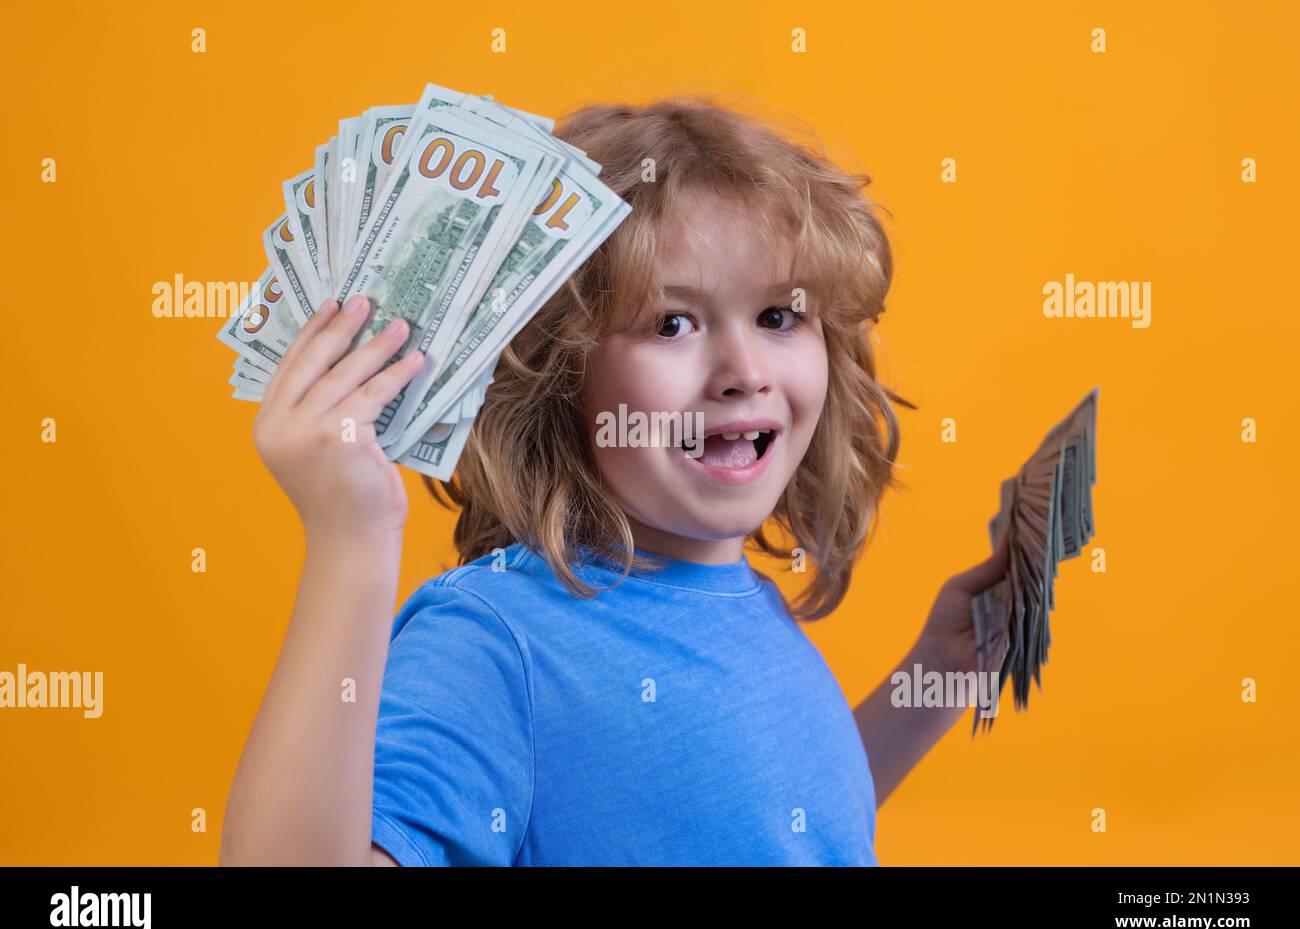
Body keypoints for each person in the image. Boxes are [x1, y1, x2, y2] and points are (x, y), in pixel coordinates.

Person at [219, 95, 1011, 866]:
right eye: (672, 323)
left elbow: (763, 831)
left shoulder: (740, 598)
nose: (745, 372)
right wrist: (349, 541)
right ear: (558, 376)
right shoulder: (496, 641)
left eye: (779, 316)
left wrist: (936, 676)